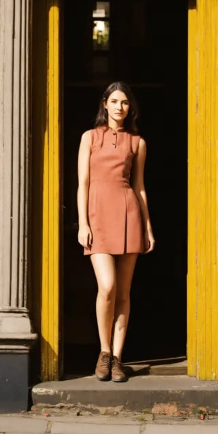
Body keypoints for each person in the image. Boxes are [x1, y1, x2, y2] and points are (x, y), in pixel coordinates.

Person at [77, 81, 155, 383]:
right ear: (105, 104)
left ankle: (118, 359)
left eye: (125, 102)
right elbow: (82, 183)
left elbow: (140, 187)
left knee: (123, 292)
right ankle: (104, 351)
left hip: (129, 214)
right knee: (107, 287)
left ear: (129, 108)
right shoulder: (90, 137)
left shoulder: (138, 143)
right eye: (115, 101)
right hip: (97, 215)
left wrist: (147, 226)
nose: (120, 107)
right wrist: (83, 223)